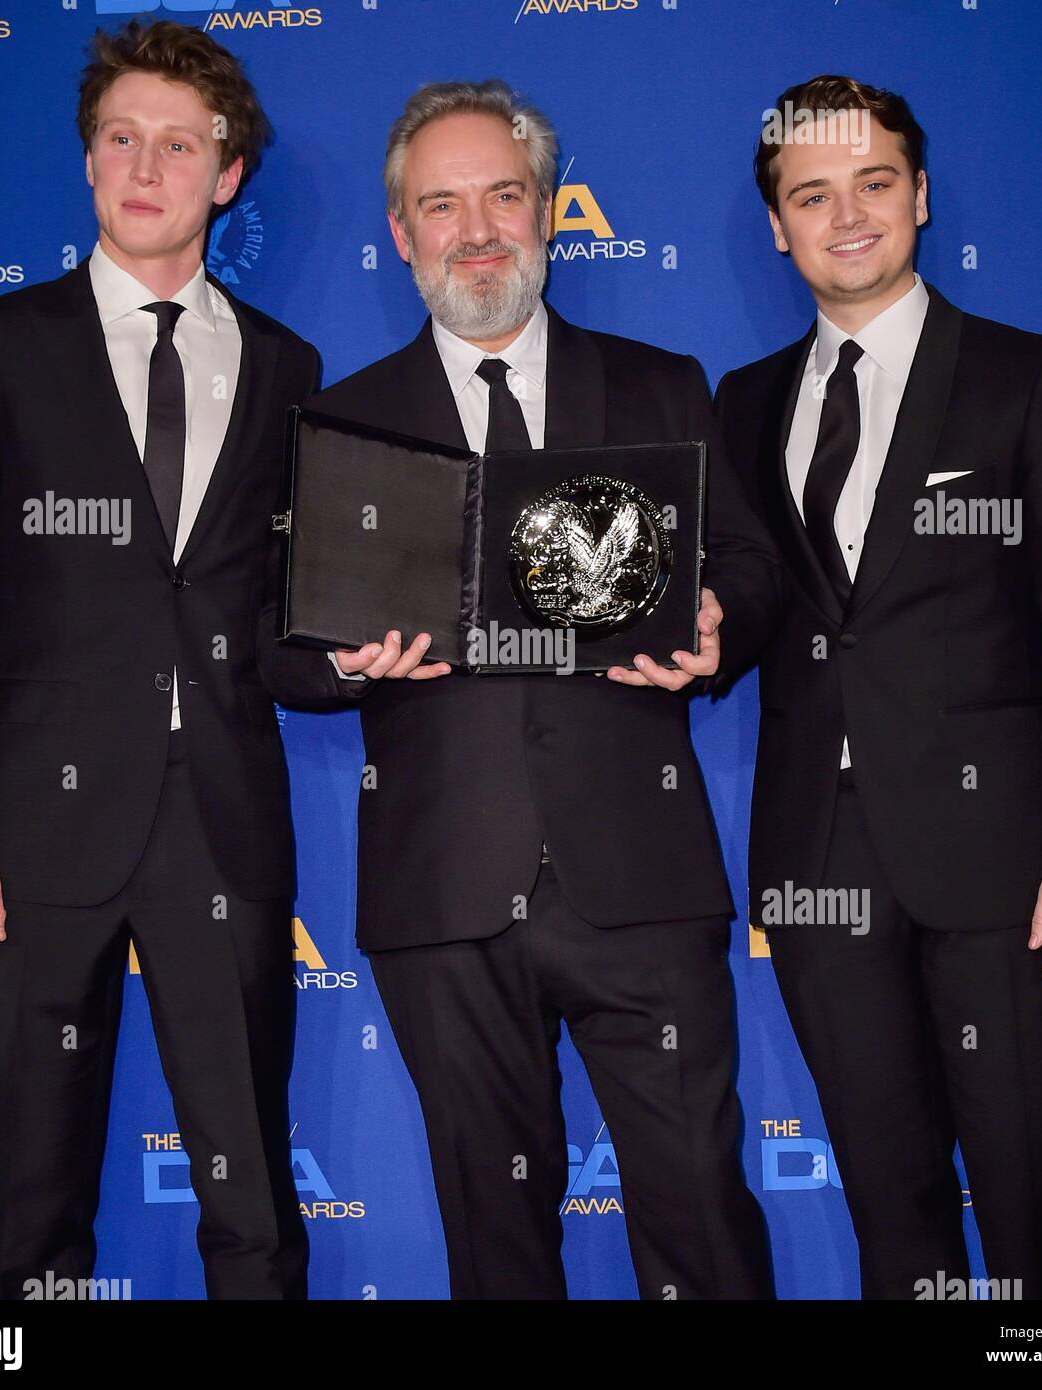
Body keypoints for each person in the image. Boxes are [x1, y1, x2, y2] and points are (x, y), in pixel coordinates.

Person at [272, 80, 782, 1300]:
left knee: (701, 1216)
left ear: (548, 213)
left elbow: (754, 569)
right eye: (438, 205)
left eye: (502, 195)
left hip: (641, 883)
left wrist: (720, 626)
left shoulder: (662, 386)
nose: (475, 229)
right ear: (400, 235)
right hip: (443, 894)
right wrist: (346, 661)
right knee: (494, 1244)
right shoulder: (339, 423)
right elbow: (274, 648)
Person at [0, 18, 343, 1299]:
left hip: (225, 830)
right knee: (32, 1214)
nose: (149, 167)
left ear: (228, 175)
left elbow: (275, 631)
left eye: (181, 144)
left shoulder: (285, 367)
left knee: (254, 1209)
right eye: (123, 139)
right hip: (29, 831)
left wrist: (364, 657)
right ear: (89, 162)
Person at [714, 74, 1042, 1299]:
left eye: (871, 183)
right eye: (812, 194)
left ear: (916, 196)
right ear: (777, 225)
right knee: (886, 1199)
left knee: (1032, 1191)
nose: (844, 214)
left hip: (1004, 861)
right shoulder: (742, 404)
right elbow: (750, 607)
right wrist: (693, 637)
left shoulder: (1027, 376)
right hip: (816, 861)